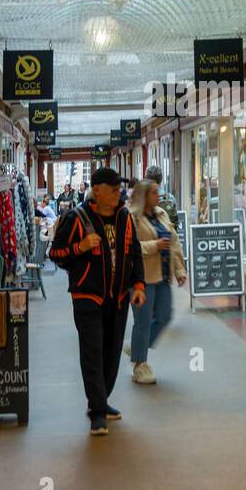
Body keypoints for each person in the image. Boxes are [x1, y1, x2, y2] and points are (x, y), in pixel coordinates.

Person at [50, 167, 145, 435]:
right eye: (113, 189)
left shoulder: (125, 218)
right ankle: (97, 411)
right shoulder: (77, 218)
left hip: (119, 298)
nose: (119, 194)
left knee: (112, 353)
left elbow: (134, 252)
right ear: (98, 190)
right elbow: (56, 253)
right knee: (92, 353)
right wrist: (80, 247)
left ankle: (101, 401)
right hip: (88, 298)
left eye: (119, 189)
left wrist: (138, 285)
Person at [126, 179, 186, 384]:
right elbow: (129, 248)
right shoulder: (131, 217)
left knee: (165, 316)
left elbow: (174, 243)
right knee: (142, 322)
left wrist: (179, 269)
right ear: (144, 195)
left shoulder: (162, 214)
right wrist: (155, 245)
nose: (158, 195)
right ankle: (139, 365)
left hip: (163, 275)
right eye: (153, 192)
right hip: (141, 278)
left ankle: (136, 347)